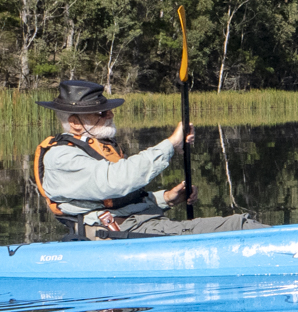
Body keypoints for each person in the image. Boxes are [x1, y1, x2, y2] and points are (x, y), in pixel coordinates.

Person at [32, 79, 267, 238]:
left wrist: (166, 198)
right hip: (115, 234)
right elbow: (115, 181)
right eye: (101, 112)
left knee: (241, 225)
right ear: (75, 123)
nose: (110, 114)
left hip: (135, 226)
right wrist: (171, 144)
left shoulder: (99, 148)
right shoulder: (62, 157)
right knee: (239, 225)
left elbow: (118, 199)